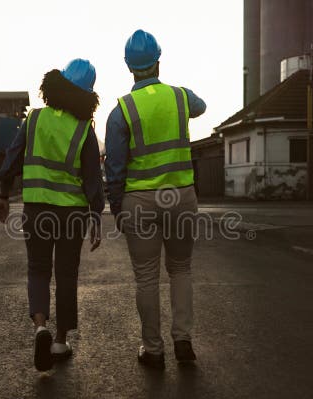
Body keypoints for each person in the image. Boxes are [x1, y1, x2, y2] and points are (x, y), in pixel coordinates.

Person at [105, 30, 206, 369]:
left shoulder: (121, 111)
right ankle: (183, 341)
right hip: (180, 196)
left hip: (140, 201)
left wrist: (117, 207)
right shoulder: (180, 98)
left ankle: (153, 350)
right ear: (158, 62)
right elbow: (201, 106)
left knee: (146, 276)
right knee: (180, 269)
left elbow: (115, 166)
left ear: (128, 67)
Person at [0, 59, 104, 372]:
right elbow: (93, 179)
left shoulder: (34, 118)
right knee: (66, 274)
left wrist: (3, 194)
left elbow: (12, 157)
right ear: (87, 95)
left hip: (36, 209)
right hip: (72, 213)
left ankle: (40, 326)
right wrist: (96, 217)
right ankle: (59, 341)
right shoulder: (84, 129)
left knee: (38, 269)